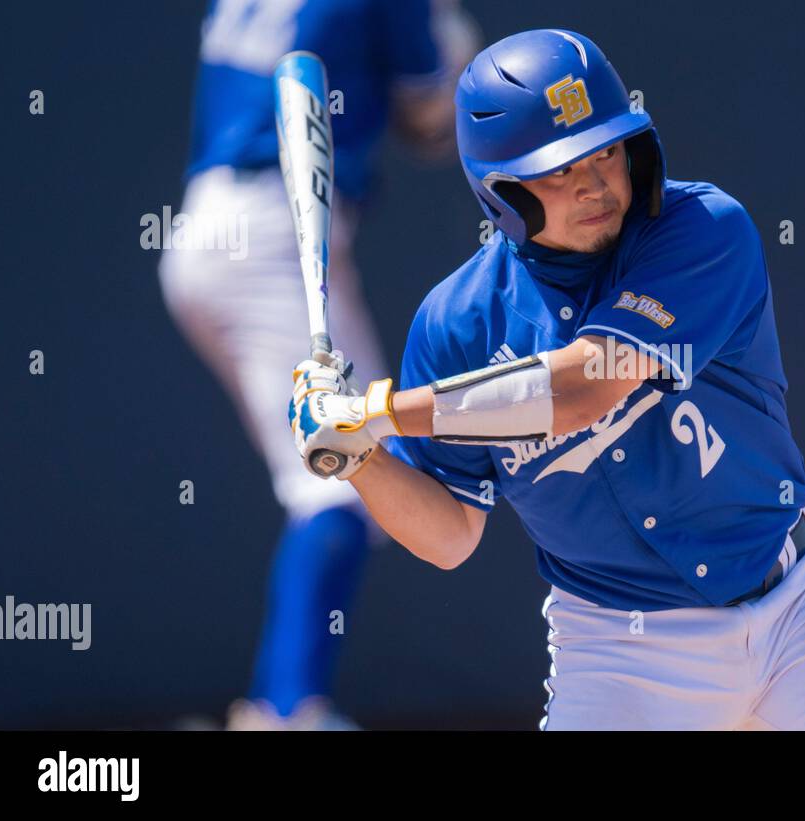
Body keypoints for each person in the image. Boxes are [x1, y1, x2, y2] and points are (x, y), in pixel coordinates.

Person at [288, 29, 805, 730]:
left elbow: (588, 384)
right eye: (559, 168)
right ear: (500, 192)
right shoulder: (457, 324)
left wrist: (380, 409)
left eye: (605, 150)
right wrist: (357, 453)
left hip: (797, 607)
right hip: (621, 649)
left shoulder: (701, 230)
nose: (594, 182)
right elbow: (450, 535)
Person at [158, 0, 478, 729]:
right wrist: (449, 55)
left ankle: (283, 701)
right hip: (273, 228)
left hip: (210, 218)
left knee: (348, 462)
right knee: (349, 471)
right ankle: (284, 709)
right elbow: (434, 111)